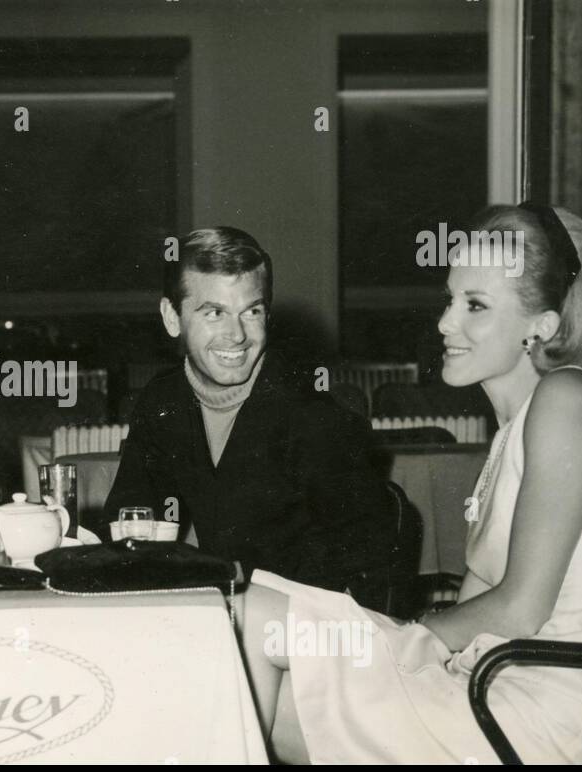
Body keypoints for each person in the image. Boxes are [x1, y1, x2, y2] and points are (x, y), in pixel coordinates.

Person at [240, 204, 582, 764]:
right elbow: (481, 602)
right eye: (451, 299)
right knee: (260, 689)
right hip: (494, 692)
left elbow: (518, 609)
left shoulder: (568, 400)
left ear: (542, 325)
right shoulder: (516, 430)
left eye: (476, 306)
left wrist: (401, 639)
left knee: (257, 615)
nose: (445, 322)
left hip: (553, 722)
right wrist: (392, 641)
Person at [103, 227, 397, 596]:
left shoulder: (315, 417)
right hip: (210, 609)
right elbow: (131, 519)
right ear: (172, 317)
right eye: (214, 313)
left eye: (252, 311)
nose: (237, 335)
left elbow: (365, 566)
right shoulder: (162, 401)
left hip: (296, 627)